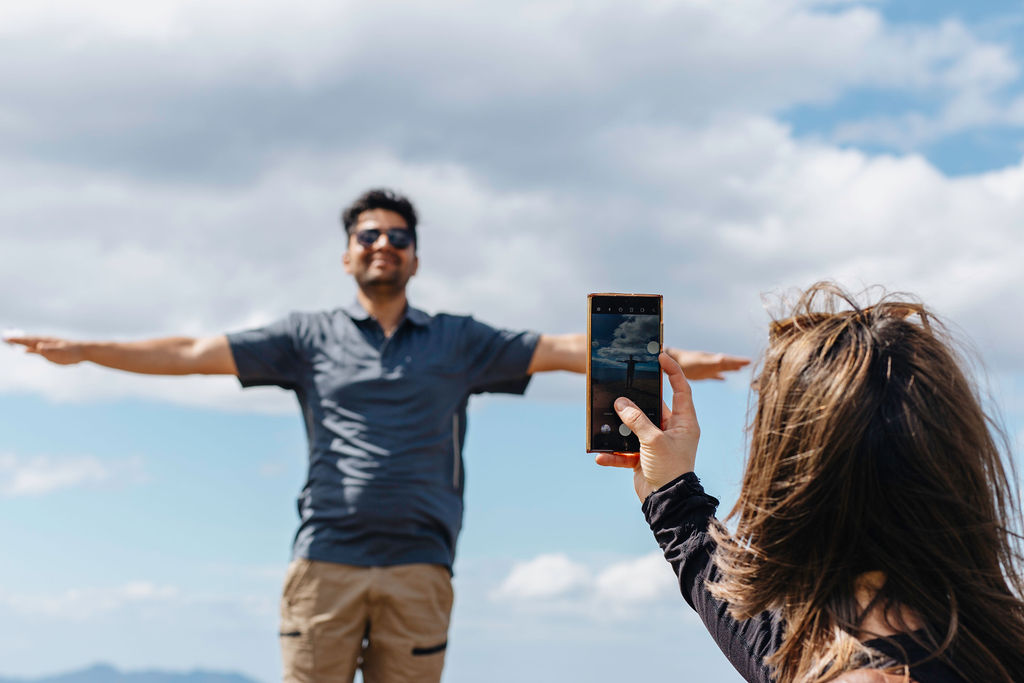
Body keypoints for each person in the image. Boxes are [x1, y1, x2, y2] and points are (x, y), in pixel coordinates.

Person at [5, 188, 749, 683]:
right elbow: (191, 353)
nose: (383, 244)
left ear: (415, 255)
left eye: (398, 236)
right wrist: (88, 347)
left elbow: (558, 348)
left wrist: (662, 356)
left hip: (421, 567)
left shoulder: (458, 340)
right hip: (324, 562)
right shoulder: (305, 337)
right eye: (369, 235)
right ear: (348, 253)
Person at [597, 282, 1024, 683]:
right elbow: (746, 618)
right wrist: (670, 493)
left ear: (788, 476)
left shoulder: (818, 663)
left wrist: (671, 497)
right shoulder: (996, 642)